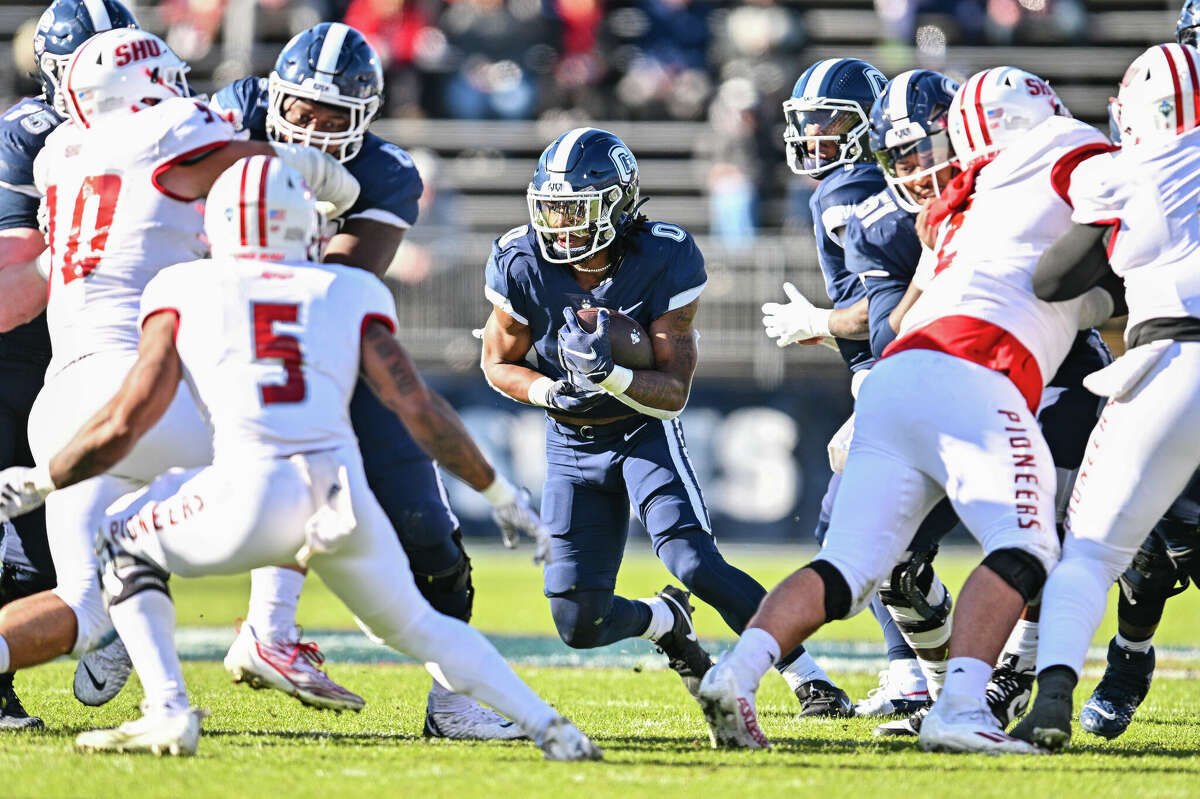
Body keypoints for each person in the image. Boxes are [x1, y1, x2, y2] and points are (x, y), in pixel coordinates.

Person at [0, 155, 597, 761]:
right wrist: (499, 493)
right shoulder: (349, 288)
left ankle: (169, 709)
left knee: (119, 538)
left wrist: (45, 478)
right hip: (342, 494)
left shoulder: (183, 286)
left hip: (250, 491)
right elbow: (420, 410)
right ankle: (551, 727)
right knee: (420, 627)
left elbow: (129, 417)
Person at [696, 66, 1118, 755]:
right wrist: (1098, 304)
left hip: (898, 377)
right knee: (1028, 545)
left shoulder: (949, 208)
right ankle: (960, 704)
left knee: (847, 565)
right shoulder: (1074, 151)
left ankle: (736, 673)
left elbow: (910, 310)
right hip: (978, 370)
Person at [0, 27, 362, 715]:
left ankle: (161, 685)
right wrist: (325, 177)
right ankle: (270, 632)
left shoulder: (58, 154)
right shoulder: (166, 128)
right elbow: (258, 169)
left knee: (83, 603)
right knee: (302, 459)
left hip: (63, 401)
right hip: (143, 387)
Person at [209, 23, 523, 739]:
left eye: (332, 122)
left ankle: (451, 705)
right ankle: (138, 639)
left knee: (433, 543)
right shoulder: (238, 109)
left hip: (326, 351)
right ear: (275, 100)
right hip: (219, 338)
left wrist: (294, 189)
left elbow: (333, 285)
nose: (311, 132)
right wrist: (285, 170)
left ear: (364, 121)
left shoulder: (387, 173)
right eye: (298, 115)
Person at [479, 125, 829, 710]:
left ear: (617, 205)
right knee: (577, 622)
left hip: (640, 430)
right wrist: (549, 394)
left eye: (574, 209)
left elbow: (673, 391)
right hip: (570, 441)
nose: (559, 225)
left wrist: (609, 375)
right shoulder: (520, 260)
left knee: (694, 562)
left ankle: (808, 676)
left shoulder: (663, 254)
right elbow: (497, 362)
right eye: (552, 209)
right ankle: (665, 622)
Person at [844, 69, 1112, 735]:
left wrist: (1099, 300)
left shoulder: (1052, 166)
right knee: (891, 556)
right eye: (896, 156)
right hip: (953, 381)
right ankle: (946, 690)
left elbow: (1122, 265)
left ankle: (1014, 685)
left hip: (1054, 372)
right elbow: (895, 326)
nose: (910, 169)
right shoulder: (901, 220)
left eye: (920, 148)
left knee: (1062, 539)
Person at [1012, 42, 1200, 751]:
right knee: (1162, 543)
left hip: (1171, 361)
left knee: (1091, 549)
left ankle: (1053, 693)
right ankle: (1125, 665)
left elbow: (1052, 279)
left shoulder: (1122, 170)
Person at [0, 0, 141, 720]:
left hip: (110, 346)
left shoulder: (164, 130)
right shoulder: (30, 136)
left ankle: (119, 606)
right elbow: (11, 284)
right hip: (28, 351)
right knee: (28, 542)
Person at [762, 56, 905, 718]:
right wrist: (821, 330)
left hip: (898, 376)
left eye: (827, 123)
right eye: (806, 123)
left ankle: (928, 671)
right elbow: (879, 314)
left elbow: (872, 312)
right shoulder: (864, 181)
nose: (812, 136)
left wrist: (820, 321)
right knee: (870, 531)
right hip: (898, 366)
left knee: (857, 533)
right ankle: (918, 667)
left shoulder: (846, 190)